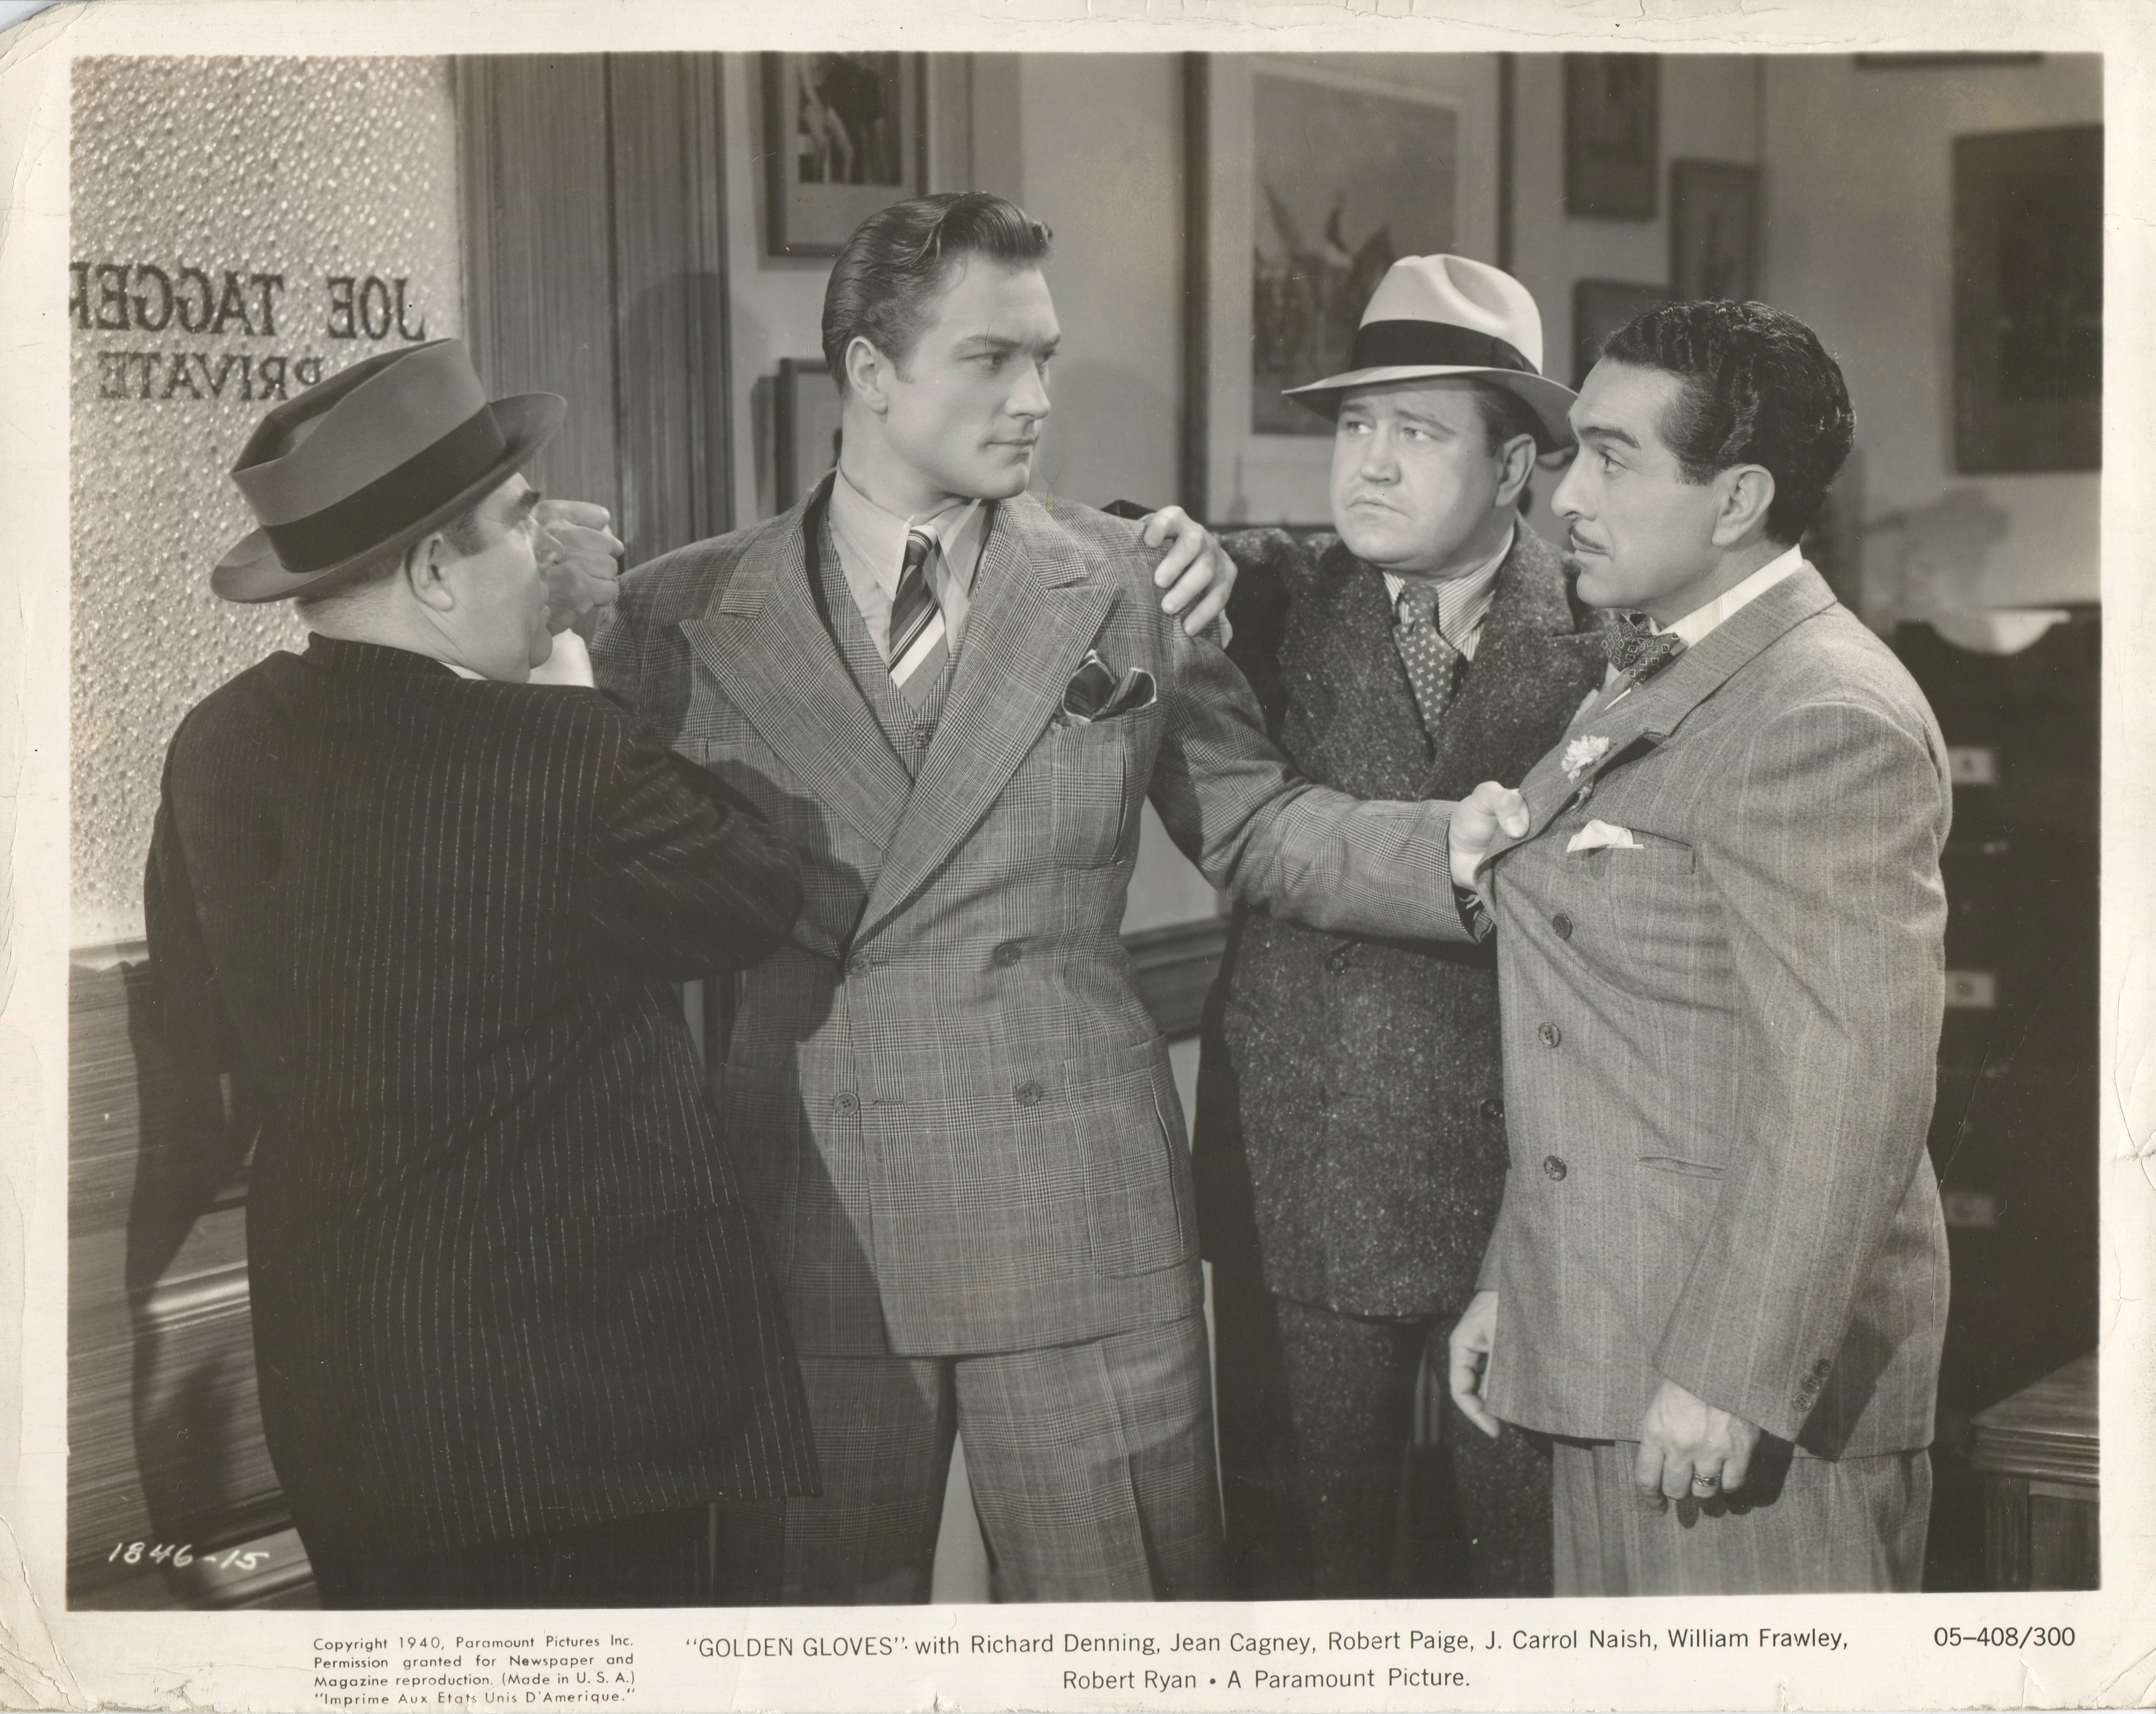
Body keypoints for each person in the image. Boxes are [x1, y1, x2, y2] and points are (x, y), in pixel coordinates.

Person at [592, 192, 1477, 1604]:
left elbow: (1255, 824)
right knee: (817, 1639)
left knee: (1122, 1634)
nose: (1035, 400)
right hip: (815, 1200)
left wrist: (1473, 851)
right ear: (871, 373)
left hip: (1077, 1207)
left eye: (1046, 359)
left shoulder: (1120, 579)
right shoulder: (673, 614)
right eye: (991, 360)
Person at [145, 339, 818, 1608]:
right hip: (574, 1423)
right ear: (433, 569)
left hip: (341, 1402)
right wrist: (570, 698)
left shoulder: (216, 743)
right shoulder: (548, 757)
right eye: (520, 524)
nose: (553, 557)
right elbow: (758, 894)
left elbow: (196, 1014)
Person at [1444, 298, 1952, 1595]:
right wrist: (1525, 1277)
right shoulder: (1658, 670)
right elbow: (1608, 1025)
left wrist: (1731, 1371)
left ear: (1734, 500)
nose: (1564, 493)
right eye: (1571, 452)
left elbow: (1850, 1085)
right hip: (1614, 1346)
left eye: (1610, 457)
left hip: (1742, 1401)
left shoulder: (1819, 712)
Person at [1193, 255, 1606, 1599]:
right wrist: (1169, 536)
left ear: (1514, 469)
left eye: (1416, 433)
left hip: (1535, 1178)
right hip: (1306, 1162)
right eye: (1354, 427)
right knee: (1310, 1571)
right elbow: (1148, 542)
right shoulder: (1267, 597)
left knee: (1527, 1569)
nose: (1366, 465)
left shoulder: (1609, 636)